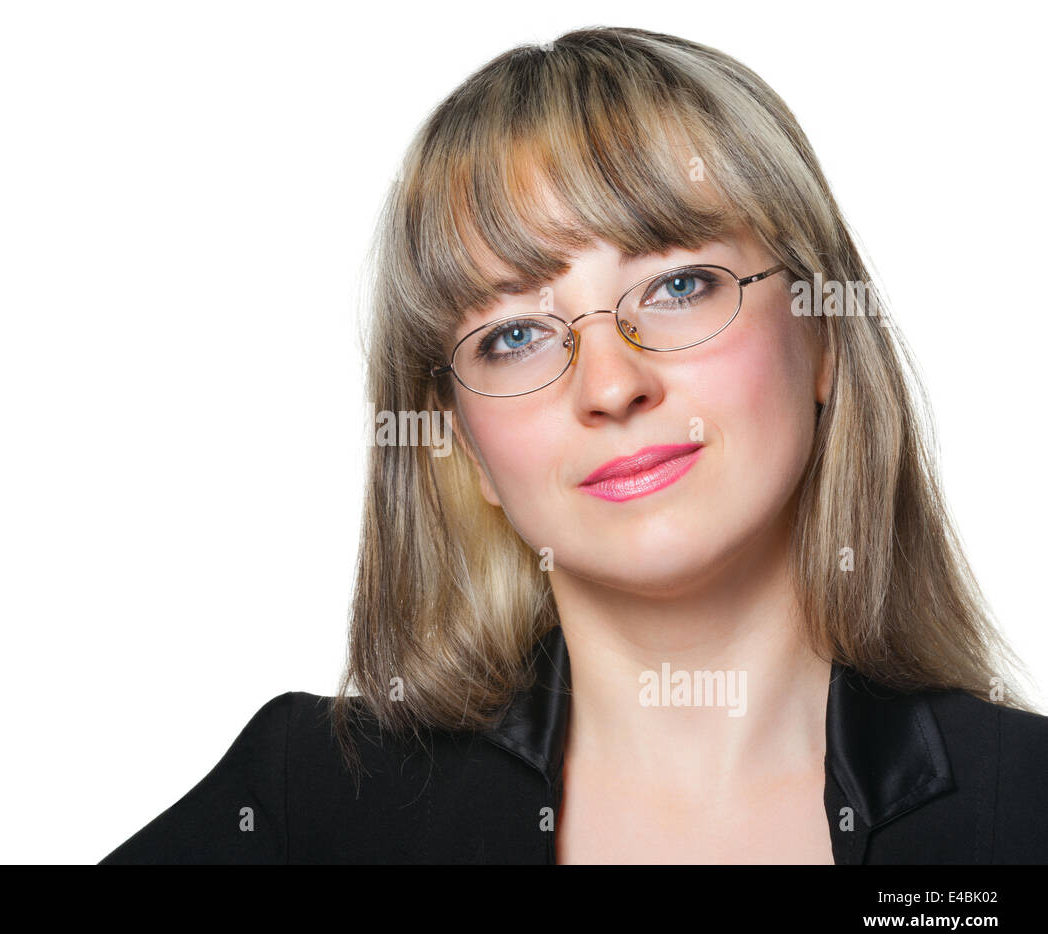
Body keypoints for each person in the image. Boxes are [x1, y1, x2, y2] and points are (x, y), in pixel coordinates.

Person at [100, 26, 1048, 864]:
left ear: (824, 337)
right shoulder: (310, 803)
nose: (610, 385)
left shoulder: (1027, 811)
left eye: (679, 286)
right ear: (466, 446)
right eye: (514, 335)